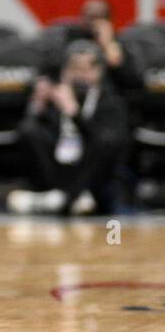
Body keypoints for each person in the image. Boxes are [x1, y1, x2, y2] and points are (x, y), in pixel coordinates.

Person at [9, 41, 129, 215]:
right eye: (75, 69)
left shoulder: (110, 102)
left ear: (100, 72)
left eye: (88, 69)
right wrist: (37, 106)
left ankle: (62, 200)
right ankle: (59, 197)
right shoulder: (56, 97)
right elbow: (34, 134)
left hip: (91, 175)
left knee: (106, 141)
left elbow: (106, 142)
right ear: (65, 72)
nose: (81, 75)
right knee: (29, 130)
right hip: (58, 170)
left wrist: (74, 114)